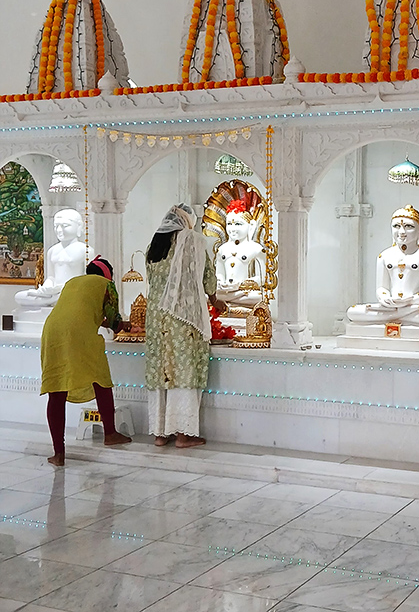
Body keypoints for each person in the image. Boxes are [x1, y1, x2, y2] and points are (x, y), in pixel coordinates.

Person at [145, 204, 225, 448]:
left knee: (162, 371)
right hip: (184, 316)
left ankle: (160, 434)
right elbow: (207, 276)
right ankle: (183, 434)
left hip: (156, 318)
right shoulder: (192, 240)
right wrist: (214, 299)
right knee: (184, 370)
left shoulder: (154, 244)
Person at [40, 255, 132, 466]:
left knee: (56, 387)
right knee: (100, 378)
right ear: (108, 274)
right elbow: (113, 321)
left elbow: (77, 312)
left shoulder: (73, 282)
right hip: (78, 334)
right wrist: (126, 325)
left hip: (51, 332)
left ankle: (58, 454)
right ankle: (110, 433)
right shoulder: (107, 285)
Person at [346, 205, 419, 335]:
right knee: (353, 312)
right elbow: (381, 288)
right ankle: (398, 315)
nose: (401, 232)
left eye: (409, 226)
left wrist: (409, 300)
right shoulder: (384, 255)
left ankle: (394, 316)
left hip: (415, 307)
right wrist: (385, 298)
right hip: (389, 306)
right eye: (396, 226)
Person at [16, 208, 93, 306]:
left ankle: (55, 301)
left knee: (72, 296)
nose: (59, 230)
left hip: (73, 292)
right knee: (20, 296)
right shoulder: (52, 250)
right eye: (56, 226)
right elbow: (51, 277)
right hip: (54, 293)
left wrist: (65, 289)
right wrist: (47, 287)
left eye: (65, 226)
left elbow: (87, 279)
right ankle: (53, 301)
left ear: (78, 226)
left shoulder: (85, 250)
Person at [215, 199, 266, 307]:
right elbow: (219, 273)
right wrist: (220, 282)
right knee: (208, 294)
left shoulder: (256, 249)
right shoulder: (222, 249)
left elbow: (261, 278)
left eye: (238, 224)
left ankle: (228, 301)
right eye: (229, 224)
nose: (233, 229)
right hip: (225, 291)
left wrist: (240, 285)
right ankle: (228, 300)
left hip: (245, 292)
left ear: (250, 226)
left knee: (260, 296)